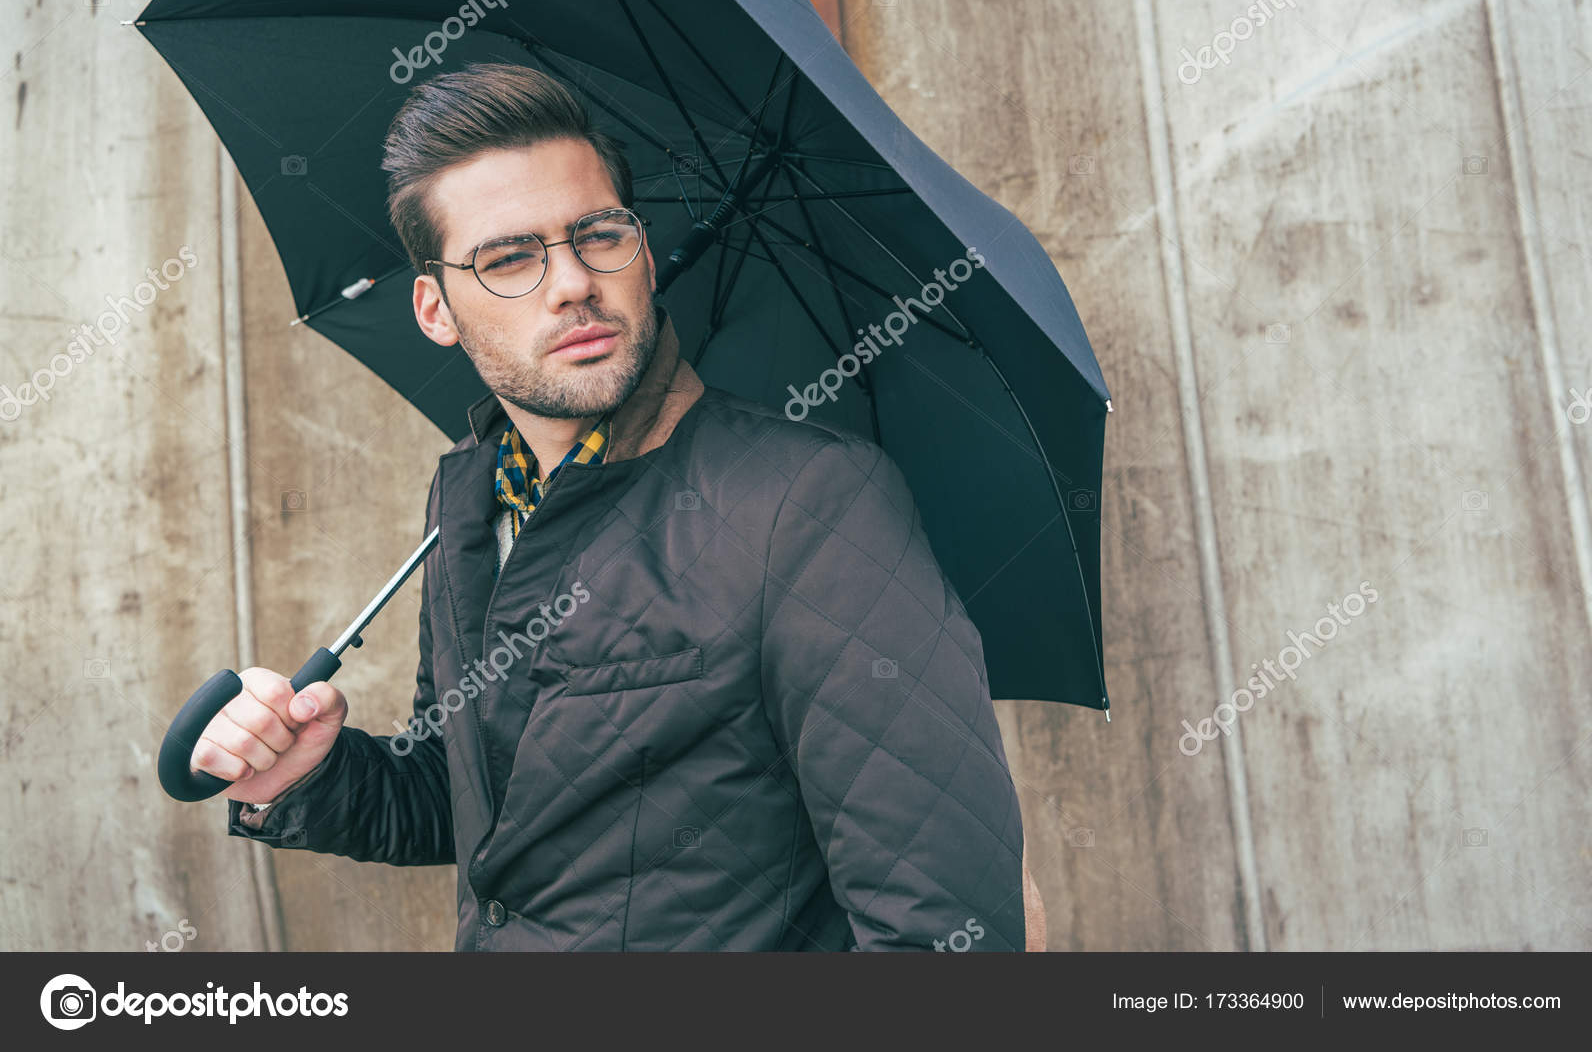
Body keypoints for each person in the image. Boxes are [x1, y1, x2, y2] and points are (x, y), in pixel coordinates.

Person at [192, 62, 1045, 951]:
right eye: (511, 256)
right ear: (435, 309)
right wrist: (309, 775)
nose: (571, 282)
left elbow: (946, 931)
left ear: (639, 249)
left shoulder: (808, 504)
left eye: (598, 234)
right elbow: (488, 808)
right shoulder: (470, 503)